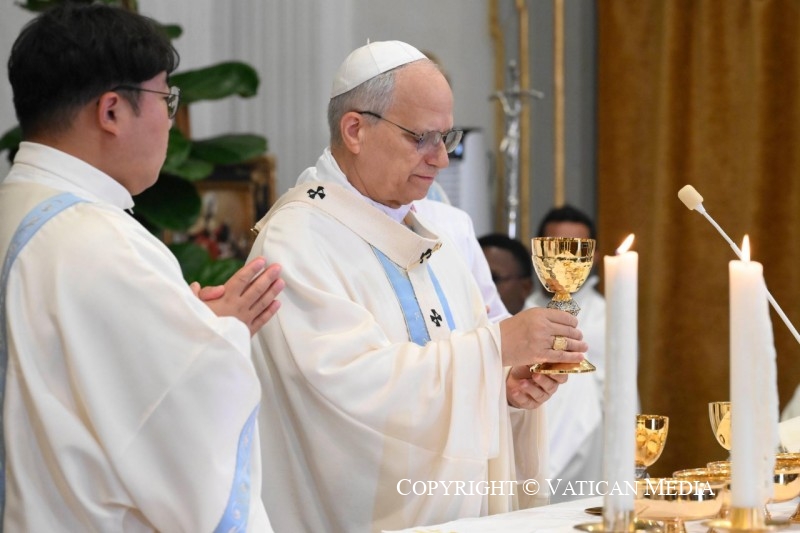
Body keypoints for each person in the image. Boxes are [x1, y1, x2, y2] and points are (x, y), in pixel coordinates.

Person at [248, 40, 588, 532]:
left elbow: (453, 367)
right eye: (422, 138)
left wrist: (503, 389)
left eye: (445, 138)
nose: (441, 159)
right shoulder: (297, 240)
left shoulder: (431, 236)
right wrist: (498, 346)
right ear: (355, 130)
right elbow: (347, 388)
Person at [0, 4, 284, 531]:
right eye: (166, 99)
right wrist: (224, 335)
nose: (170, 119)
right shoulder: (104, 242)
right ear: (111, 111)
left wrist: (180, 325)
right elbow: (178, 420)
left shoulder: (15, 207)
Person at [525, 205, 606, 502]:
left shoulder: (605, 319)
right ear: (538, 255)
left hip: (588, 450)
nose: (564, 261)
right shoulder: (522, 313)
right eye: (555, 250)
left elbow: (614, 395)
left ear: (592, 257)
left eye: (575, 252)